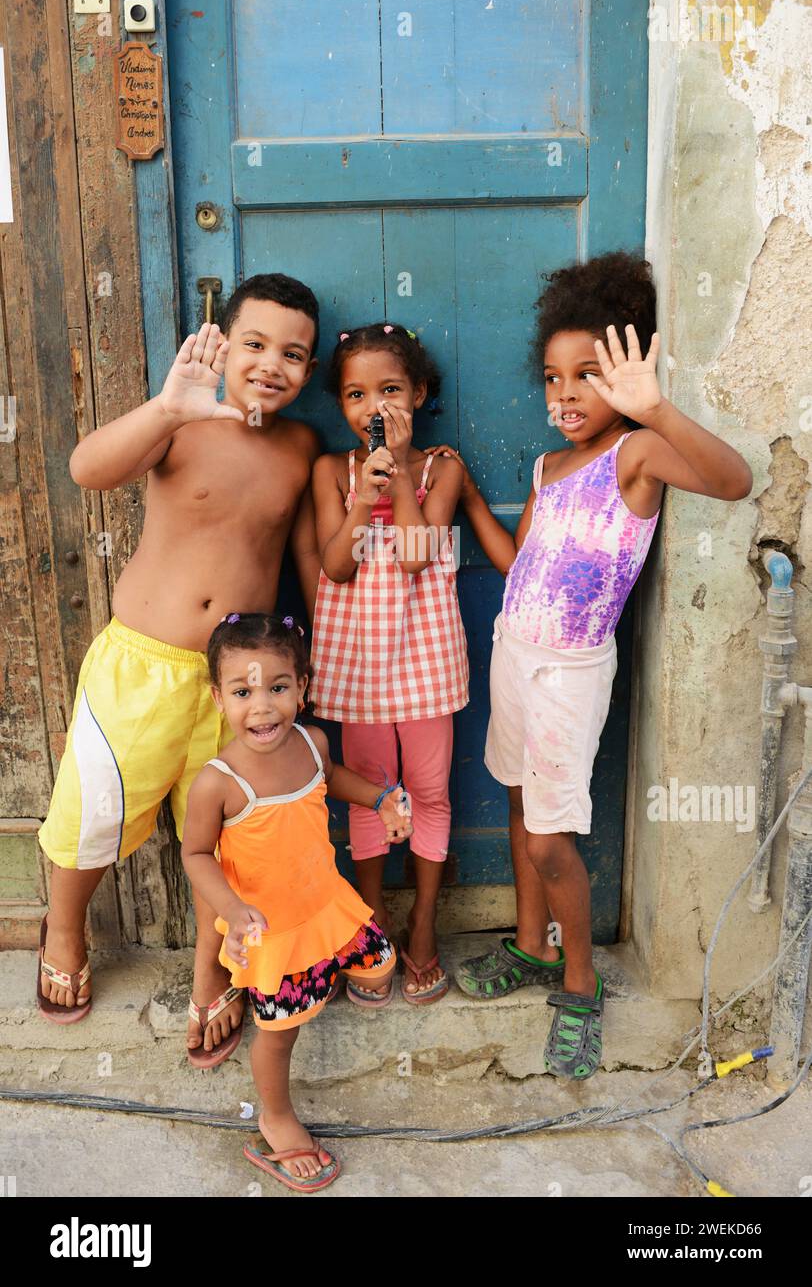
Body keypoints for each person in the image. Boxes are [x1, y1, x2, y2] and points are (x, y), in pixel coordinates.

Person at [435, 253, 752, 1078]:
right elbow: (522, 563)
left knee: (549, 840)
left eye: (589, 375)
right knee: (516, 805)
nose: (565, 394)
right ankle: (534, 947)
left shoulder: (636, 456)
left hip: (569, 674)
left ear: (631, 373)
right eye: (553, 377)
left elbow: (734, 479)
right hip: (514, 649)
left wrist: (657, 411)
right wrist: (472, 503)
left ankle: (580, 985)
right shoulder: (548, 467)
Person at [37, 273, 324, 1071]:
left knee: (232, 838)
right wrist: (168, 405)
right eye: (255, 344)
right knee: (92, 811)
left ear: (309, 370)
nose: (272, 364)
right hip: (144, 666)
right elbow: (87, 469)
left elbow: (301, 564)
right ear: (221, 344)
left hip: (241, 687)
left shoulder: (302, 450)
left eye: (294, 354)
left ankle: (211, 977)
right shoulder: (183, 420)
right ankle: (64, 931)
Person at [182, 612, 410, 1192]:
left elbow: (332, 778)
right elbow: (195, 856)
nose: (262, 707)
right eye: (242, 692)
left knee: (382, 970)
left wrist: (380, 799)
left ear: (303, 688)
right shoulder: (219, 782)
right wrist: (233, 911)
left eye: (278, 687)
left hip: (328, 904)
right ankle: (275, 1115)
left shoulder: (313, 743)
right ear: (218, 698)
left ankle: (334, 969)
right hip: (273, 934)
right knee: (279, 1030)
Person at [309, 323, 468, 1003]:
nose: (373, 407)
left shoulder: (444, 467)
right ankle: (370, 920)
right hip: (359, 669)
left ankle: (424, 924)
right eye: (356, 394)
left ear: (420, 394)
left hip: (425, 662)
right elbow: (338, 566)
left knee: (428, 793)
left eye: (391, 391)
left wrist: (399, 473)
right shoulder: (330, 471)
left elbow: (413, 556)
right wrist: (363, 495)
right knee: (370, 797)